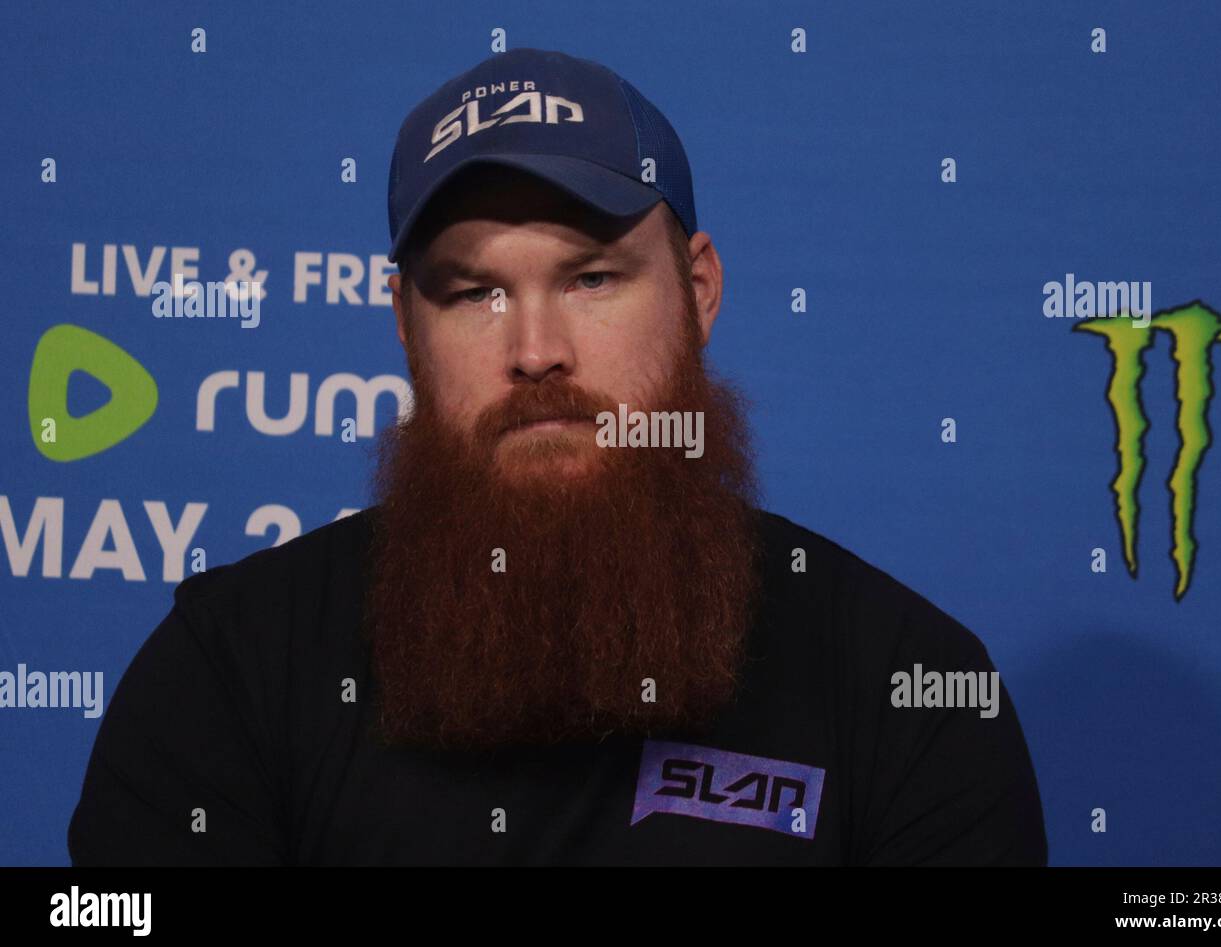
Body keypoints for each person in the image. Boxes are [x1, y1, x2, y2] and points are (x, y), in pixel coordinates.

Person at [68, 47, 1047, 865]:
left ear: (697, 291)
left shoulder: (907, 688)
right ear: (405, 325)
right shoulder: (231, 671)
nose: (535, 348)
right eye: (470, 292)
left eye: (590, 276)